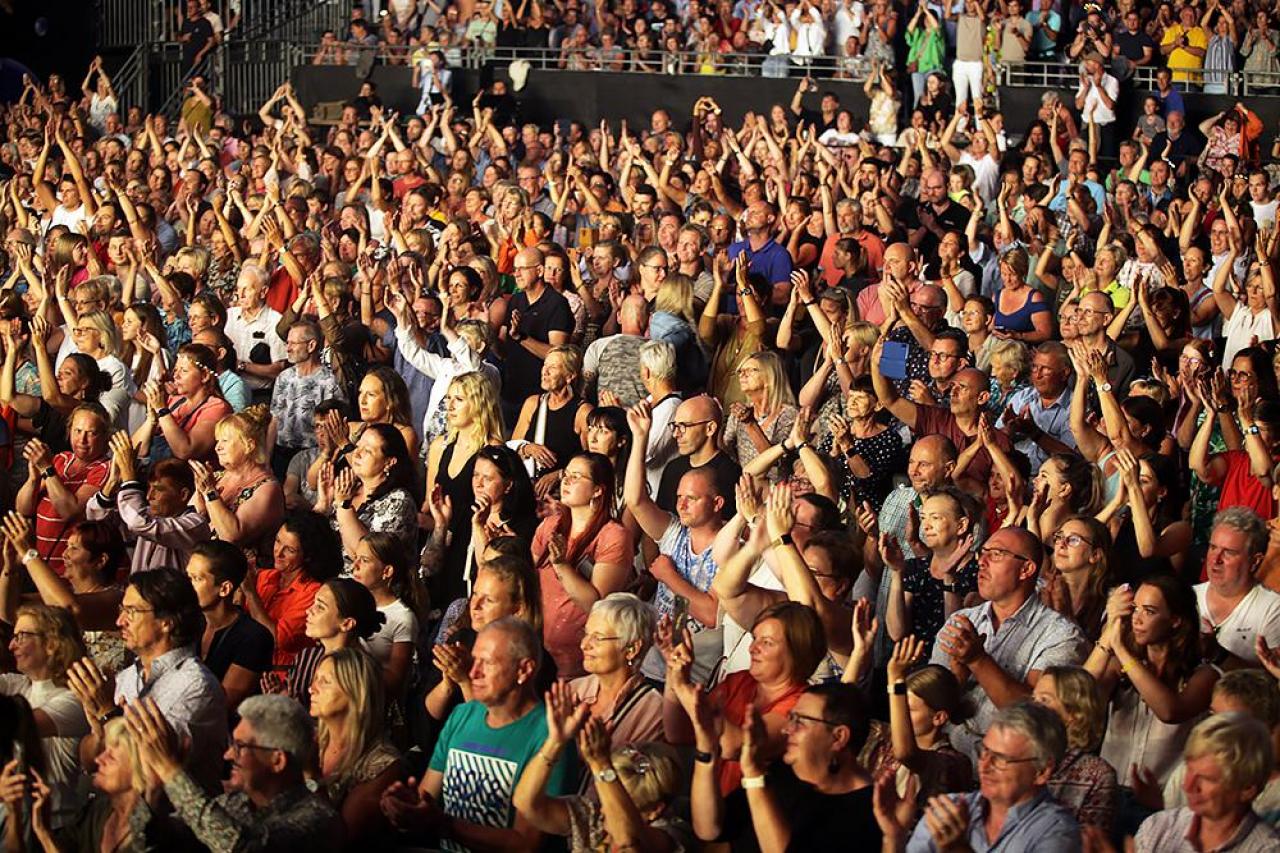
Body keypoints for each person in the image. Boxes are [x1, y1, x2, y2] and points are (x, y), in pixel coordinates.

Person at [380, 618, 573, 850]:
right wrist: (406, 807)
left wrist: (443, 824)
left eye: (487, 663)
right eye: (474, 661)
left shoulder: (551, 733)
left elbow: (526, 844)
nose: (473, 672)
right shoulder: (463, 714)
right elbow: (426, 797)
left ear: (524, 669)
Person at [929, 526, 1088, 762]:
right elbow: (928, 704)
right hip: (945, 760)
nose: (982, 562)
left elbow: (1036, 713)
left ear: (1026, 569)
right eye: (982, 553)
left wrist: (978, 660)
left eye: (996, 554)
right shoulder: (962, 621)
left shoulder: (1061, 635)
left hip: (1010, 766)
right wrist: (957, 679)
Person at [67, 567, 227, 793]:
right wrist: (100, 730)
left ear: (167, 622)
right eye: (122, 609)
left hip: (172, 820)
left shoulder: (197, 686)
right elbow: (87, 760)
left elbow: (150, 766)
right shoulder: (128, 677)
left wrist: (107, 714)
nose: (120, 620)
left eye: (131, 611)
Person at [122, 693, 345, 851]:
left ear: (277, 760)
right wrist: (154, 788)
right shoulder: (234, 804)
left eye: (240, 746)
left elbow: (242, 847)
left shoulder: (317, 820)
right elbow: (151, 841)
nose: (228, 755)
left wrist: (171, 770)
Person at [688, 681, 882, 850]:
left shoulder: (870, 813)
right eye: (790, 718)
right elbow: (709, 829)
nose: (787, 729)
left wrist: (755, 776)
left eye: (800, 722)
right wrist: (707, 750)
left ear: (838, 737)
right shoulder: (782, 773)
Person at [663, 601, 825, 795]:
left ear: (797, 651)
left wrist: (682, 686)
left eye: (766, 643)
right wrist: (674, 670)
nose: (752, 648)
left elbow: (735, 745)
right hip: (713, 804)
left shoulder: (801, 702)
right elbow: (678, 732)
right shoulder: (739, 681)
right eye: (754, 638)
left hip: (753, 816)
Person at [514, 683, 690, 851]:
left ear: (655, 811)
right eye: (604, 793)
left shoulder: (672, 834)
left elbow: (627, 841)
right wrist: (555, 742)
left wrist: (601, 763)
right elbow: (526, 804)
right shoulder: (596, 816)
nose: (605, 806)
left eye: (621, 798)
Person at [888, 701, 1083, 852]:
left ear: (1041, 771)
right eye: (984, 751)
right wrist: (893, 837)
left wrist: (958, 849)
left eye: (999, 759)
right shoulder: (951, 809)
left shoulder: (1058, 832)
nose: (984, 765)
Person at [532, 452, 632, 678]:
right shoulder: (551, 524)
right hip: (537, 650)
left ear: (598, 489)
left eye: (576, 477)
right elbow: (529, 578)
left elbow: (596, 604)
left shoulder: (613, 536)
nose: (566, 481)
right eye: (565, 475)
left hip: (578, 661)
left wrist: (561, 565)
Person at [1134, 713, 1280, 851]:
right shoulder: (1158, 828)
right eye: (1189, 770)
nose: (1188, 786)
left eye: (1206, 778)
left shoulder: (1268, 849)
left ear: (1247, 789)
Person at [311, 647, 406, 844]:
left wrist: (309, 773)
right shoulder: (311, 740)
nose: (312, 688)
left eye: (325, 682)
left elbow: (341, 840)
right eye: (315, 678)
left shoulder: (383, 765)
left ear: (355, 692)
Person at [243, 510, 343, 671]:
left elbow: (276, 639)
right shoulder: (265, 576)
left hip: (280, 675)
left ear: (308, 556)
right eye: (277, 541)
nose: (278, 552)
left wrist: (249, 593)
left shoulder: (314, 593)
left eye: (289, 550)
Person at [186, 540, 274, 714]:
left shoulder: (253, 637)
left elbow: (222, 703)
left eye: (196, 579)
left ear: (225, 589)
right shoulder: (188, 623)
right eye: (188, 577)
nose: (187, 586)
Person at [568, 593, 663, 746]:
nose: (584, 645)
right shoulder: (573, 690)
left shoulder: (651, 709)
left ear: (631, 649)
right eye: (586, 634)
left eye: (598, 638)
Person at [1030, 665, 1117, 832]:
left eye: (1044, 700)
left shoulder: (1097, 775)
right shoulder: (1014, 757)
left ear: (1074, 714)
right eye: (1033, 699)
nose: (1033, 708)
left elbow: (1090, 844)